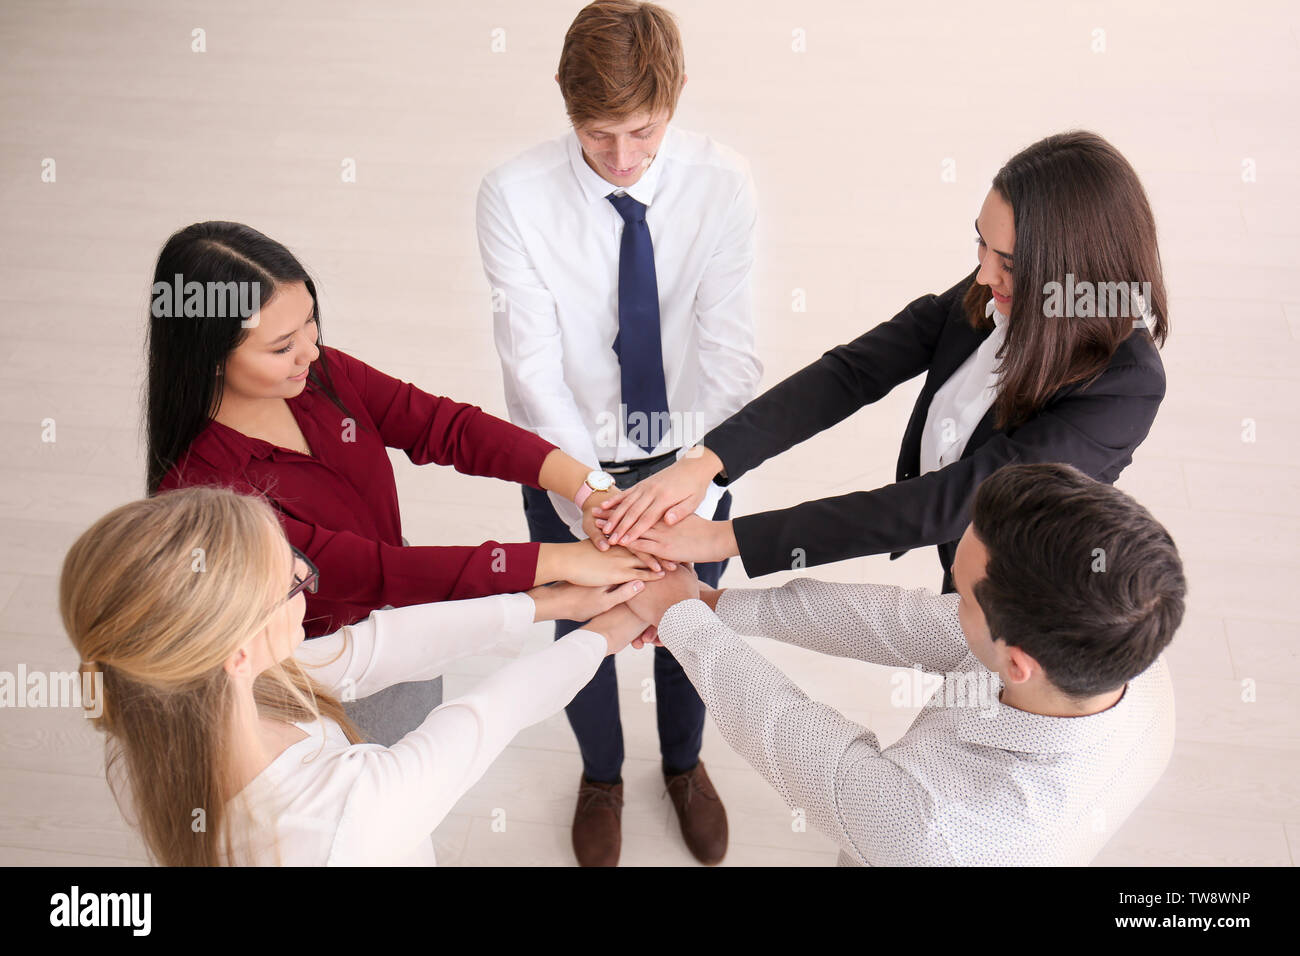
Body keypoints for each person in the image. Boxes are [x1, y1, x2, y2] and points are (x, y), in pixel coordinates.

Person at [146, 221, 664, 746]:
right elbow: (369, 571)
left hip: (410, 611)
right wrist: (557, 562)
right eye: (283, 346)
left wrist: (586, 485)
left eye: (311, 322)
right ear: (209, 358)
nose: (312, 350)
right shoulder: (203, 495)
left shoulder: (321, 376)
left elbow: (446, 427)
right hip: (328, 675)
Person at [594, 130, 1170, 595]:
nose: (984, 273)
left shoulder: (1125, 386)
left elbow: (947, 501)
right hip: (968, 565)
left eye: (1011, 264)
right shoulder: (994, 290)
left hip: (1039, 608)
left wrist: (723, 540)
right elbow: (853, 372)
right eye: (981, 245)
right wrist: (706, 463)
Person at [476, 0, 761, 866]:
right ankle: (601, 775)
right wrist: (593, 501)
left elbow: (731, 358)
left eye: (642, 133)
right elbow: (533, 370)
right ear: (568, 113)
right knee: (580, 627)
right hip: (566, 462)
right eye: (598, 137)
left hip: (691, 459)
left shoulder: (723, 185)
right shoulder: (513, 196)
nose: (625, 161)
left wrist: (692, 497)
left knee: (692, 619)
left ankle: (683, 765)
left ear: (673, 101)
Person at [621, 462, 1186, 865]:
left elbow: (795, 739)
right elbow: (897, 623)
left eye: (961, 597)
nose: (947, 604)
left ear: (1017, 663)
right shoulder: (1127, 649)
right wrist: (716, 607)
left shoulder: (934, 833)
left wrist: (683, 620)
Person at [59, 486, 658, 866]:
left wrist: (552, 602)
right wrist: (609, 630)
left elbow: (372, 648)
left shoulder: (193, 699)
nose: (307, 576)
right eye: (291, 582)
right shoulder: (340, 820)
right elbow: (484, 718)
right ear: (234, 650)